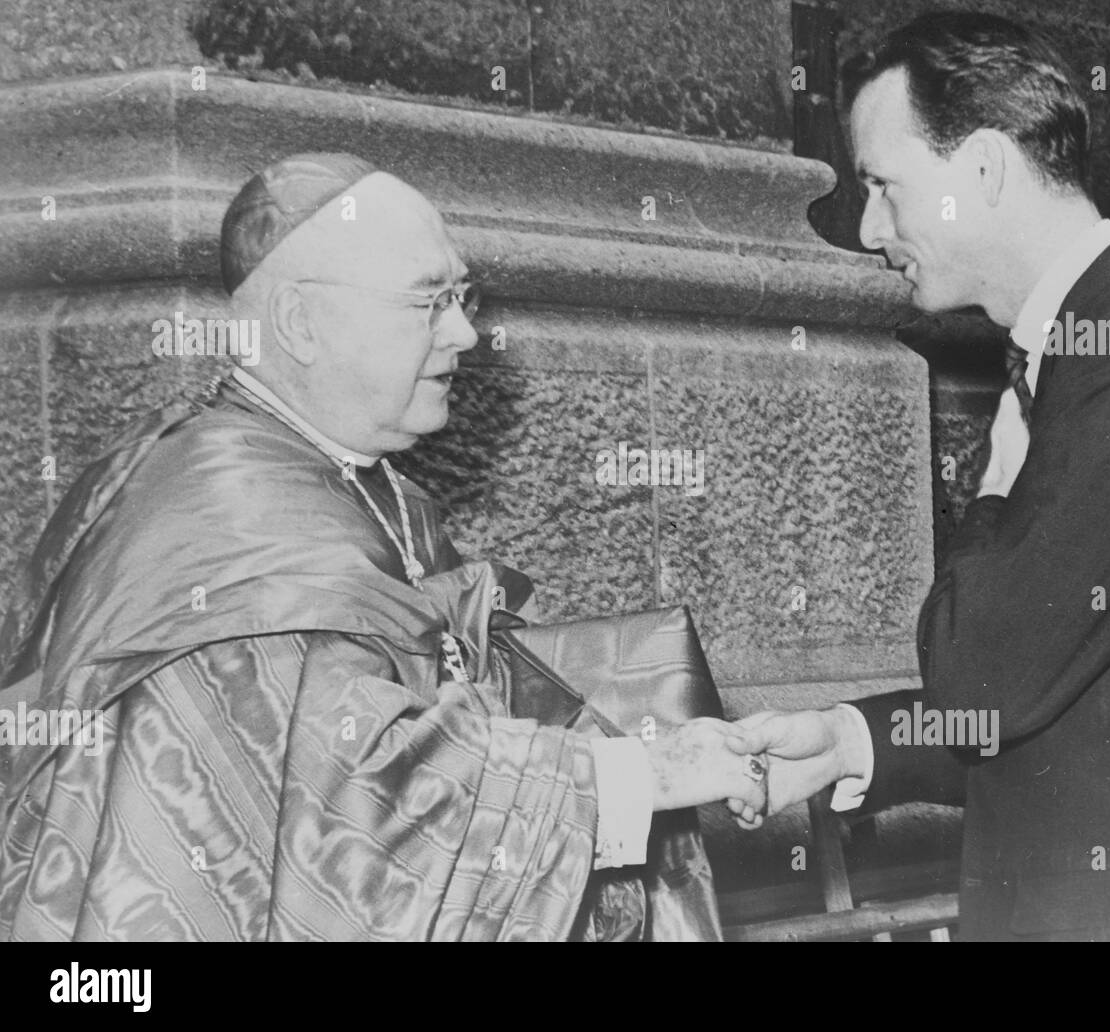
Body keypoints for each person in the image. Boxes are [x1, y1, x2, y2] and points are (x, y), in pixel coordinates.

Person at [0, 153, 765, 941]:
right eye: (428, 302)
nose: (465, 332)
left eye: (463, 297)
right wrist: (645, 774)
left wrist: (642, 697)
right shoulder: (233, 514)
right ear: (300, 323)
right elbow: (356, 820)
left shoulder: (355, 478)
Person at [726, 11, 1110, 941]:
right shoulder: (1104, 344)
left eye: (884, 185)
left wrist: (993, 494)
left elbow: (979, 683)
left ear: (985, 170)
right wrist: (850, 739)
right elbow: (1073, 712)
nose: (872, 229)